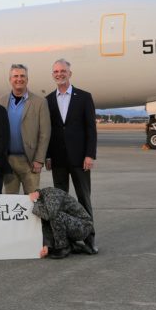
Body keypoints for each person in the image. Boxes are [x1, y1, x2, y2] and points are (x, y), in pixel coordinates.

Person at [45, 58, 98, 254]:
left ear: (70, 73)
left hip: (79, 159)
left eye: (63, 71)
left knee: (84, 199)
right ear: (53, 75)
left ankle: (90, 239)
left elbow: (91, 129)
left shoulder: (84, 97)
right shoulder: (48, 100)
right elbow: (48, 131)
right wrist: (48, 156)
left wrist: (89, 154)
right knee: (60, 202)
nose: (59, 74)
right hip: (58, 159)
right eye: (56, 71)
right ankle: (65, 241)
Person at [3, 64, 51, 195]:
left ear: (27, 79)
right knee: (10, 201)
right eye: (15, 76)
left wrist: (39, 159)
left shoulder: (40, 102)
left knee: (32, 201)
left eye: (22, 76)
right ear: (10, 79)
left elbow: (45, 134)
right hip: (8, 161)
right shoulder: (1, 101)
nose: (19, 79)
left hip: (30, 161)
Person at [29, 187, 95, 259]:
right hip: (75, 224)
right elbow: (46, 224)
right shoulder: (43, 200)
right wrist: (47, 246)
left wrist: (35, 202)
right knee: (49, 220)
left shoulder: (51, 193)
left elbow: (51, 215)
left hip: (84, 226)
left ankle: (64, 247)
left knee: (56, 216)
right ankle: (72, 246)